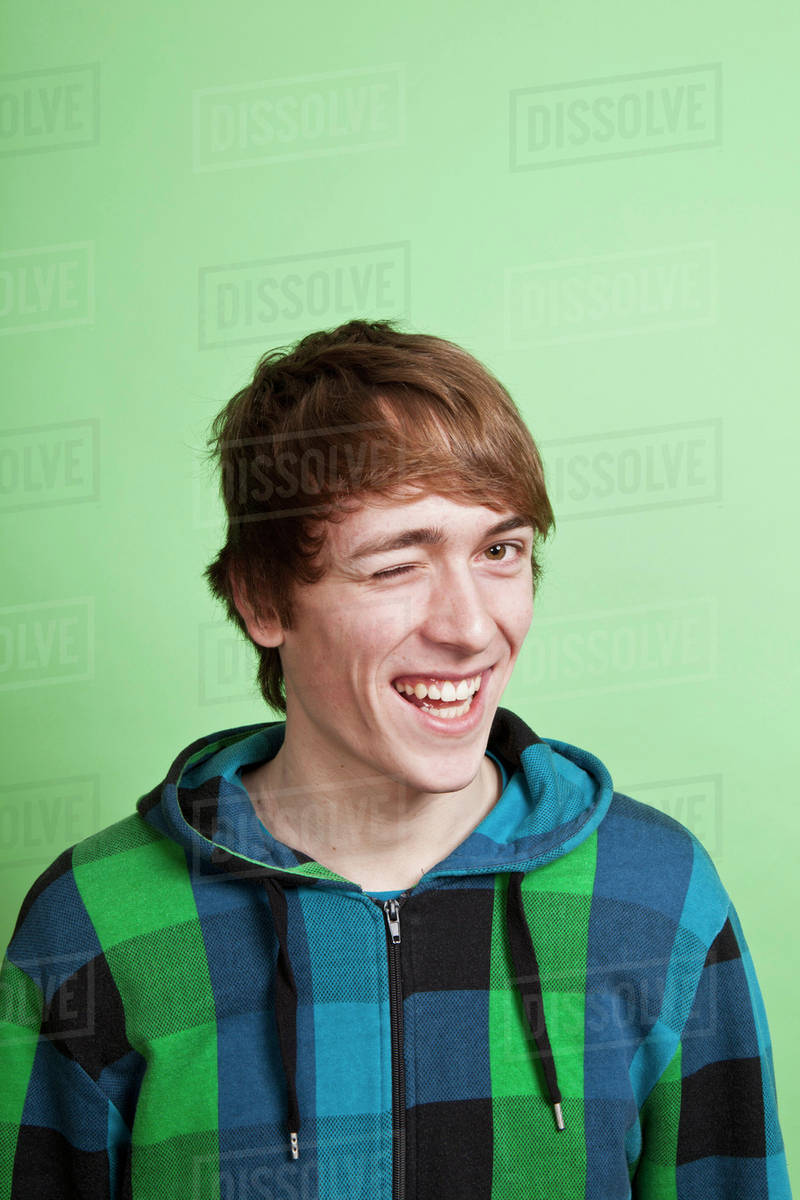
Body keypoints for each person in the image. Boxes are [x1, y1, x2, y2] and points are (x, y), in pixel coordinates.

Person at [0, 319, 791, 1199]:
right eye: (394, 566)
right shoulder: (93, 925)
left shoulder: (661, 895)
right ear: (263, 599)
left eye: (501, 551)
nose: (469, 627)